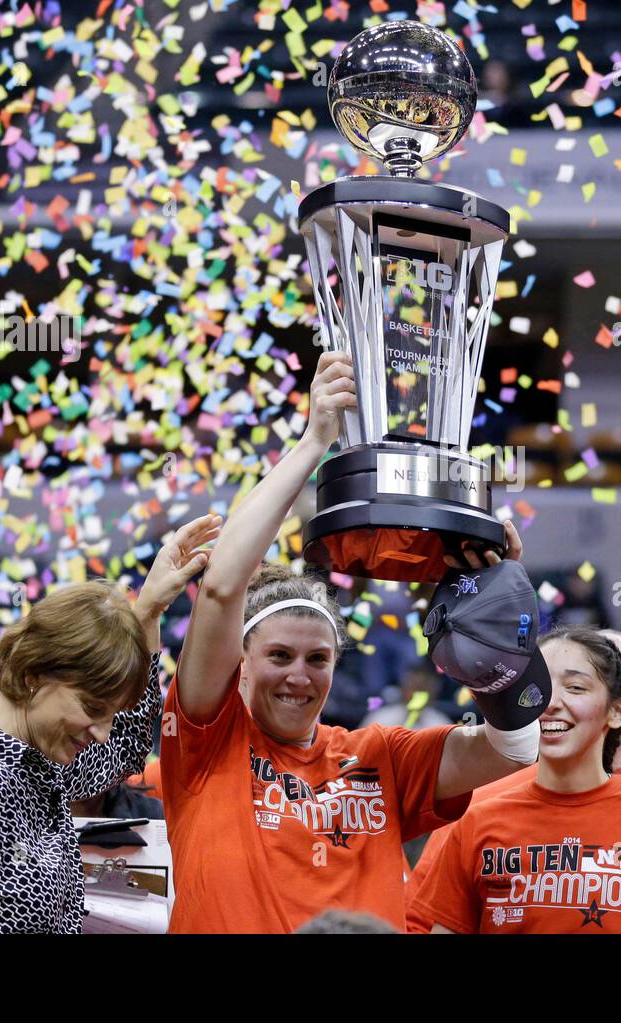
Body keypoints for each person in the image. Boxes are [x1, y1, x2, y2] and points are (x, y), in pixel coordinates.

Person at [160, 351, 540, 933]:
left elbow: (515, 749)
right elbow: (220, 589)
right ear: (238, 664)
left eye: (317, 658)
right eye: (278, 656)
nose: (298, 675)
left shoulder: (379, 756)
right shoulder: (207, 742)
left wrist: (497, 616)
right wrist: (315, 442)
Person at [0, 513, 218, 933]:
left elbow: (122, 748)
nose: (103, 731)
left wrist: (148, 611)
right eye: (91, 707)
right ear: (35, 674)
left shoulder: (27, 759)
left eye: (108, 713)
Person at [403, 627, 621, 931]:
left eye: (575, 687)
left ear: (617, 712)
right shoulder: (477, 820)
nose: (549, 703)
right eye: (537, 687)